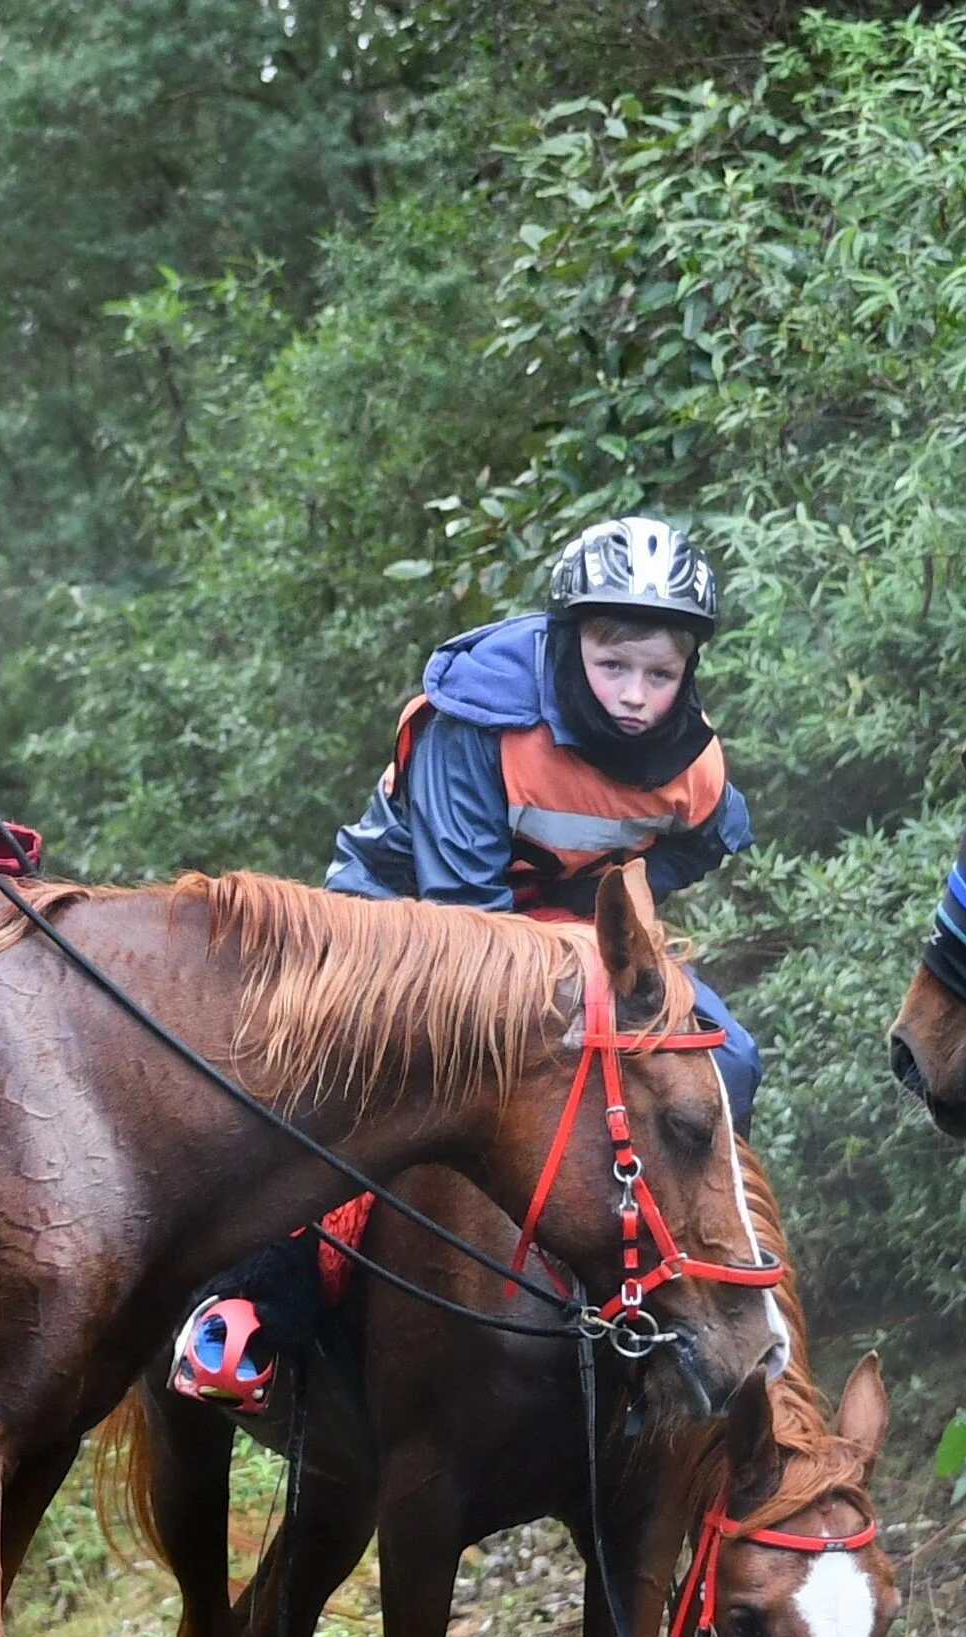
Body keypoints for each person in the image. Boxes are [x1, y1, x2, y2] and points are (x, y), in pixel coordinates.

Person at [172, 514, 757, 1411]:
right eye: (612, 664)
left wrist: (609, 902)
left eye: (659, 673)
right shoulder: (479, 717)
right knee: (358, 1070)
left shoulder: (688, 754)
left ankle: (690, 1285)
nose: (636, 695)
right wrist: (570, 938)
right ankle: (257, 1297)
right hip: (410, 915)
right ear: (568, 642)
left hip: (551, 925)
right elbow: (461, 914)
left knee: (729, 1057)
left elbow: (703, 840)